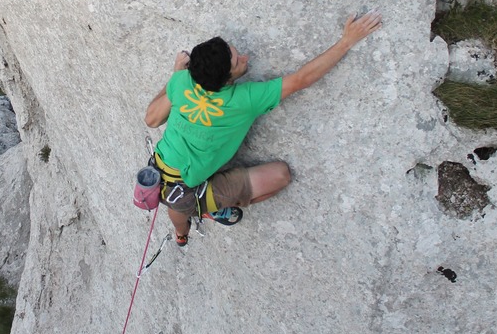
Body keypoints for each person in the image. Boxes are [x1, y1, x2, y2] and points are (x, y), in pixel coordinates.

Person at [144, 12, 383, 246]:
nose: (246, 58)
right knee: (280, 175)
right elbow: (301, 79)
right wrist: (346, 42)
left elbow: (151, 120)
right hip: (187, 190)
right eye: (238, 61)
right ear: (226, 80)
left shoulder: (182, 79)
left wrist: (175, 75)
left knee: (178, 206)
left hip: (158, 175)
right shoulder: (244, 99)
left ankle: (181, 233)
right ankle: (209, 209)